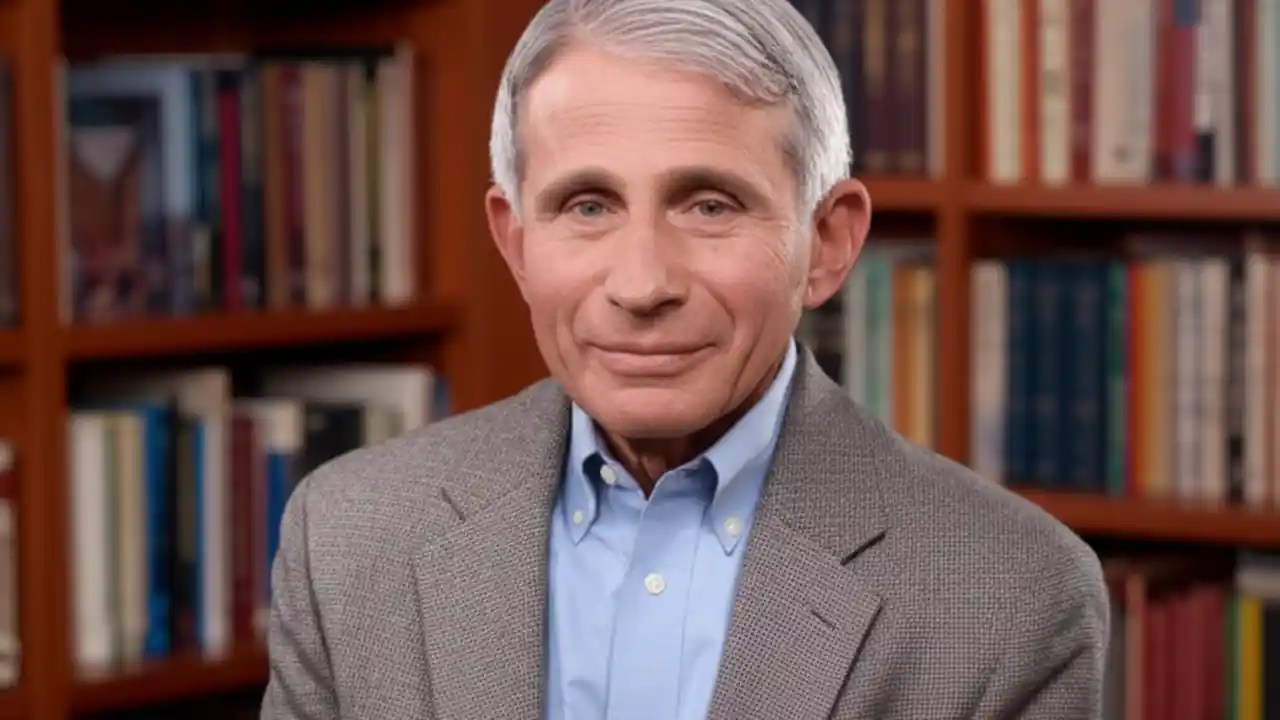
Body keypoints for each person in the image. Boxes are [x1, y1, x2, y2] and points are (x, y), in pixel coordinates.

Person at [261, 1, 1109, 718]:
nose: (641, 284)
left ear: (826, 242)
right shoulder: (346, 538)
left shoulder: (1013, 598)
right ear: (516, 245)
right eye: (586, 205)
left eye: (709, 205)